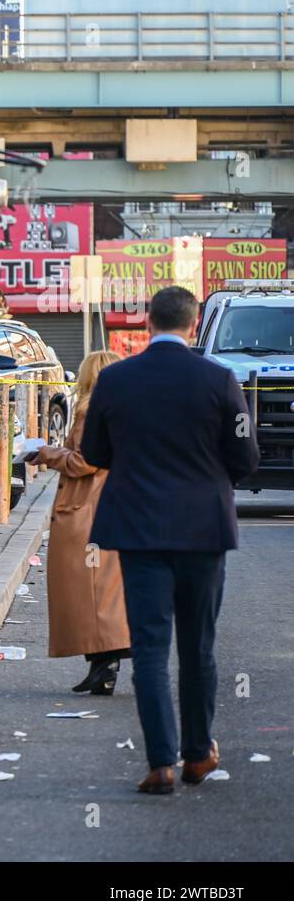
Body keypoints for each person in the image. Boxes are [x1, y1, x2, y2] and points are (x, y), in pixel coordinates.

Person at [81, 286, 260, 795]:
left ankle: (160, 762)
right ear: (194, 322)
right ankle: (199, 752)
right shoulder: (221, 379)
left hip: (138, 530)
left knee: (152, 648)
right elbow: (246, 459)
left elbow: (95, 451)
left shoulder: (115, 379)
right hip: (204, 528)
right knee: (198, 646)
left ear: (149, 321)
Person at [26, 351, 130, 696]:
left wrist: (46, 453)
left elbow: (86, 462)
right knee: (102, 591)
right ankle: (104, 664)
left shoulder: (89, 412)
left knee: (87, 592)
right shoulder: (120, 411)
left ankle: (104, 662)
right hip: (111, 502)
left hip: (85, 506)